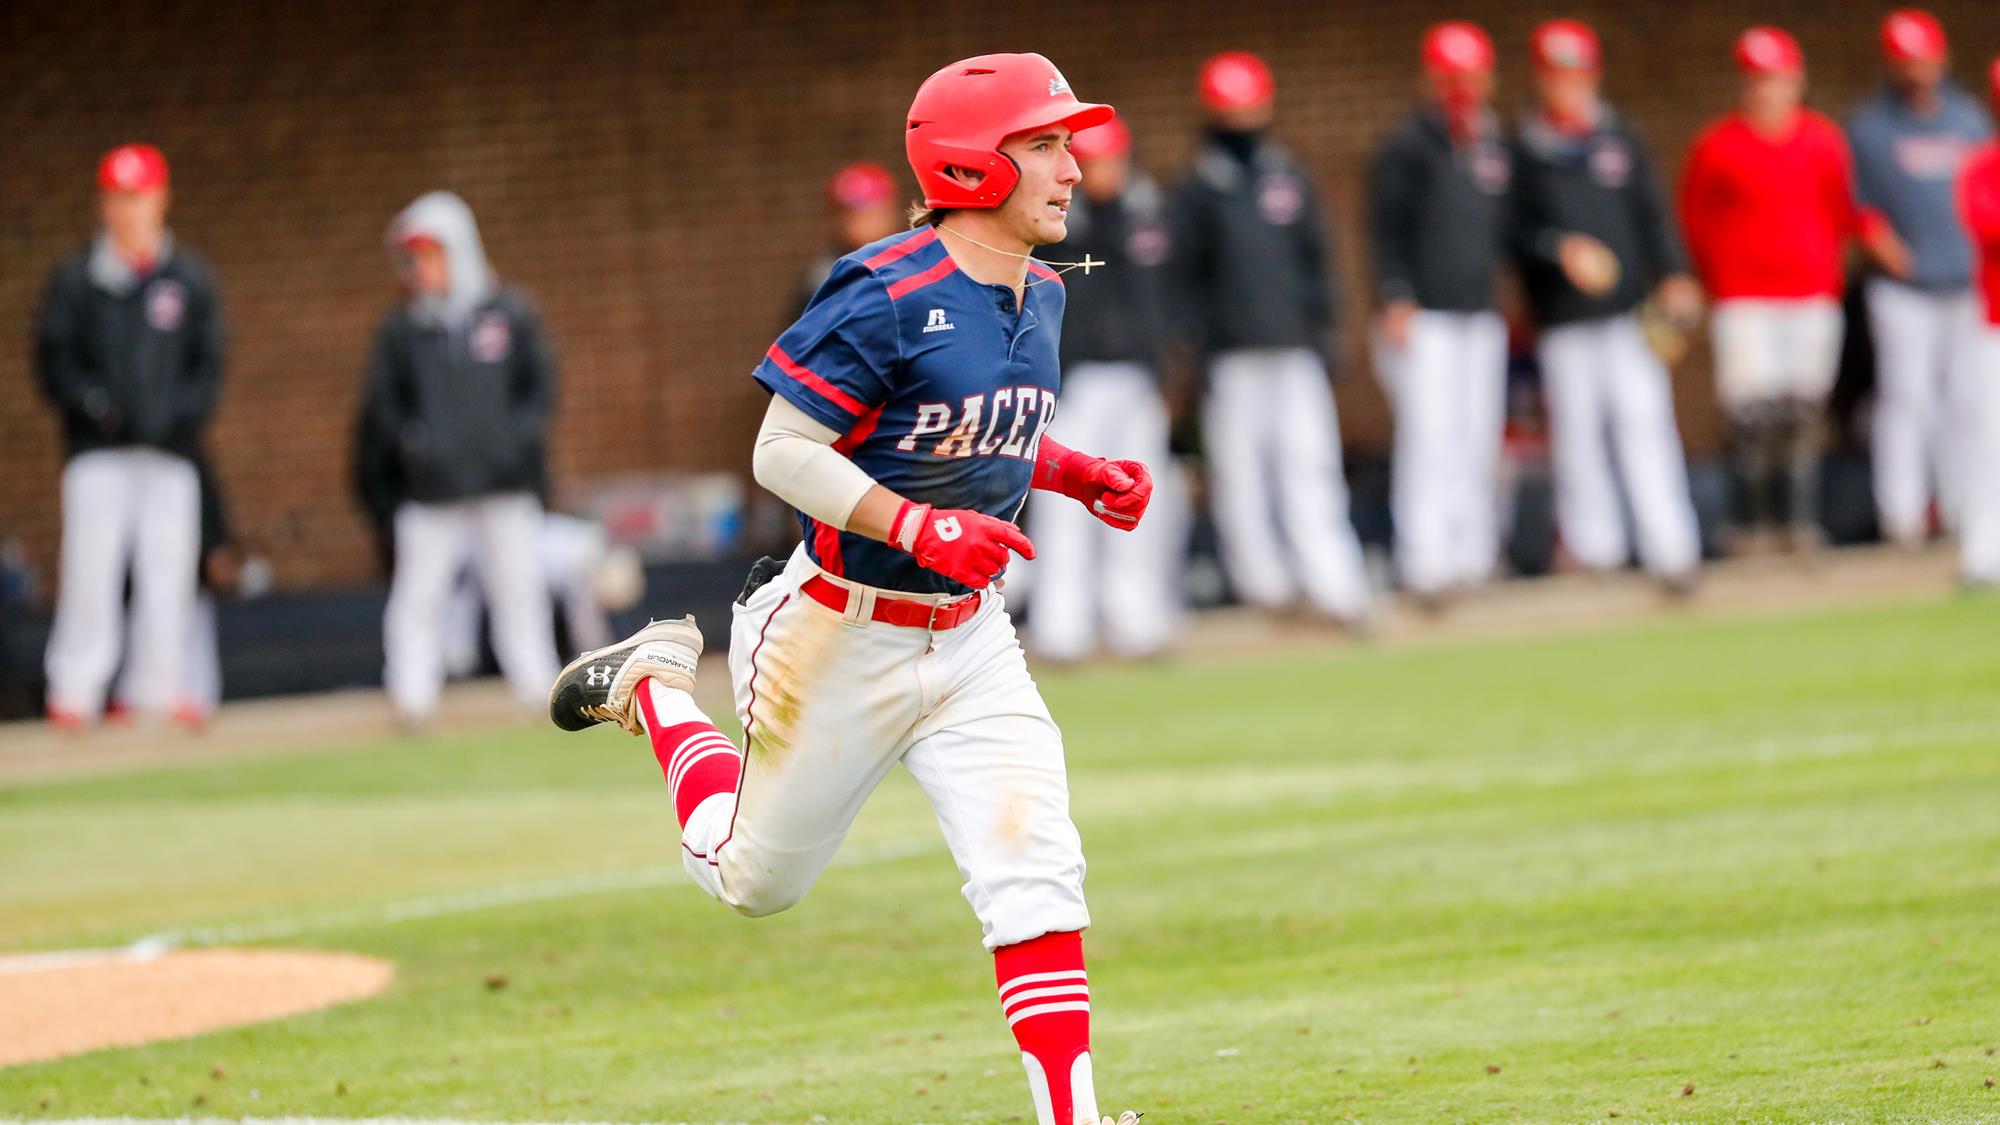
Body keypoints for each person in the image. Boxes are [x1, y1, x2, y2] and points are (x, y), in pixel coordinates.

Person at [546, 54, 1144, 1125]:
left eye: (1067, 141)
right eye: (1045, 143)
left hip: (968, 638)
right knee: (751, 883)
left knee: (1034, 868)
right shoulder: (881, 289)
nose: (1071, 164)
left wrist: (1072, 470)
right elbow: (783, 450)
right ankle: (654, 692)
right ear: (970, 165)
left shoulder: (1043, 289)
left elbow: (971, 425)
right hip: (836, 626)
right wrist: (916, 525)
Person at [1679, 27, 1909, 553]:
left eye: (1778, 79)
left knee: (1803, 410)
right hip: (1744, 297)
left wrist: (1880, 243)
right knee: (1751, 411)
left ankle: (1799, 524)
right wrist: (1701, 281)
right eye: (1759, 80)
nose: (1769, 90)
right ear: (1744, 84)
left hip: (1810, 294)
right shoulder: (1718, 145)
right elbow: (1694, 221)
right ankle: (1752, 527)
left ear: (1796, 81)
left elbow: (1847, 210)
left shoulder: (1822, 139)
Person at [1173, 50, 1373, 626]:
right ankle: (1264, 588)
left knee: (1310, 465)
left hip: (1294, 349)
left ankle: (1334, 584)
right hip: (1231, 358)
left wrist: (1327, 333)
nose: (1242, 121)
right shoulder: (1197, 190)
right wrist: (1196, 354)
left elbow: (1319, 265)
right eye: (1230, 111)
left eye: (1249, 109)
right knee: (1241, 471)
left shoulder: (1289, 177)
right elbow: (1185, 281)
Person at [35, 144, 225, 728]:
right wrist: (98, 408)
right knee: (91, 567)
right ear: (103, 204)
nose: (129, 211)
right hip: (98, 451)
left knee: (169, 569)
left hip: (170, 451)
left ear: (161, 199)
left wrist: (176, 417)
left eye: (138, 197)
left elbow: (208, 365)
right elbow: (55, 361)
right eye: (118, 198)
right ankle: (76, 688)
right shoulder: (77, 280)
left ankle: (158, 685)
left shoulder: (189, 279)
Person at [1510, 19, 1704, 591]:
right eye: (1557, 75)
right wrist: (1558, 250)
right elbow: (1513, 231)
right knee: (1579, 432)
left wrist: (1674, 274)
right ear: (1541, 79)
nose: (1569, 86)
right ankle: (1596, 551)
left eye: (1578, 73)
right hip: (1565, 318)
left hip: (1631, 311)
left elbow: (1653, 215)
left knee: (1645, 422)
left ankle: (1671, 550)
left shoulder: (1621, 137)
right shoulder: (1523, 149)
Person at [354, 191, 559, 727]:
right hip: (432, 489)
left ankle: (539, 690)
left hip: (504, 482)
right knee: (418, 596)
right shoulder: (403, 330)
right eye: (416, 258)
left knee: (520, 591)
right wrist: (415, 446)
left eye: (433, 255)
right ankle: (411, 696)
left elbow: (539, 388)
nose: (423, 269)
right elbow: (384, 406)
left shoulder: (509, 314)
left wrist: (513, 443)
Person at [1368, 22, 1515, 604]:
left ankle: (1473, 555)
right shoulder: (1407, 145)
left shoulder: (1492, 143)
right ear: (1432, 79)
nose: (1463, 89)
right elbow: (1385, 232)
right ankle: (1426, 561)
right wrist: (1395, 294)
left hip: (1479, 311)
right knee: (1430, 437)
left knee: (1478, 437)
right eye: (1453, 78)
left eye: (1472, 77)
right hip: (1424, 316)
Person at [1028, 118, 1182, 661]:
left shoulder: (1147, 214)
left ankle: (1136, 620)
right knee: (1064, 505)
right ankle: (1061, 626)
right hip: (1074, 381)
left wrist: (1165, 369)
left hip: (1135, 375)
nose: (1103, 175)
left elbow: (1166, 298)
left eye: (1111, 163)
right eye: (1092, 164)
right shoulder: (1056, 221)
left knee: (1137, 498)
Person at [1848, 9, 1994, 546]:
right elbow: (1859, 208)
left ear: (1942, 58)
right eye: (1907, 61)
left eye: (1925, 59)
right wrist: (1891, 253)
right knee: (1906, 397)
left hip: (1965, 283)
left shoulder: (1967, 118)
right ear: (1892, 64)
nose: (1918, 71)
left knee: (1968, 399)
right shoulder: (1870, 126)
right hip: (1903, 287)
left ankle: (1962, 508)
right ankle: (1903, 515)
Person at [1957, 57, 2000, 588]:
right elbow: (1987, 225)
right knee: (1990, 440)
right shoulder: (1982, 165)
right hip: (1996, 325)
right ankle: (1983, 552)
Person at [797, 162, 904, 312]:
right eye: (858, 217)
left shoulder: (915, 264)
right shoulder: (825, 283)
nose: (869, 225)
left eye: (876, 214)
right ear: (838, 220)